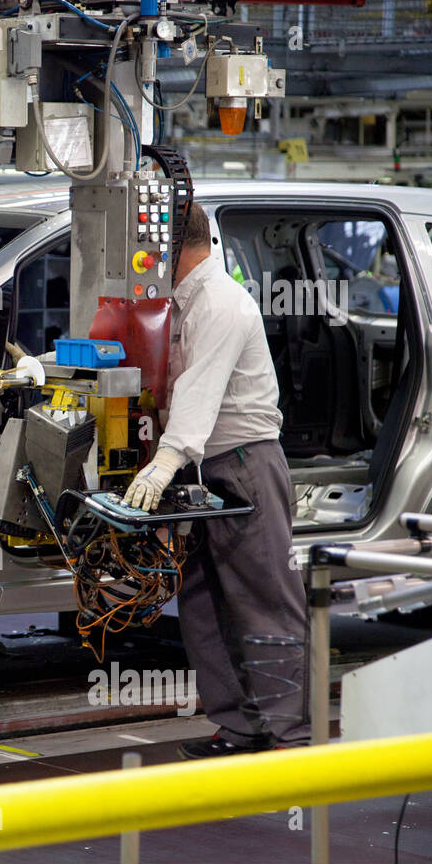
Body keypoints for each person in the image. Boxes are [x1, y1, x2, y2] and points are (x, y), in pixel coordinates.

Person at [122, 202, 310, 758]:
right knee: (203, 601)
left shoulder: (221, 304)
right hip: (203, 471)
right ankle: (240, 728)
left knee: (265, 603)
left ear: (176, 246)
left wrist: (163, 462)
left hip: (243, 466)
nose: (146, 261)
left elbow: (199, 395)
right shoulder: (180, 303)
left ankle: (294, 741)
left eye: (153, 249)